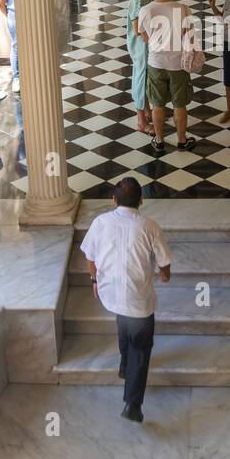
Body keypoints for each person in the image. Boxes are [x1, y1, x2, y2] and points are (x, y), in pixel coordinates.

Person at [81, 177, 172, 423]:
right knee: (141, 348)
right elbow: (165, 265)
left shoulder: (100, 222)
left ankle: (124, 364)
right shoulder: (150, 226)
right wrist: (164, 274)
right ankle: (132, 404)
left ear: (113, 199)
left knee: (124, 319)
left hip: (110, 294)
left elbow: (89, 255)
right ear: (141, 200)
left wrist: (94, 280)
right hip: (138, 301)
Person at [137, 0, 198, 154]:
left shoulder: (146, 10)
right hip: (177, 64)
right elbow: (189, 35)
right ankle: (181, 140)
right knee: (180, 104)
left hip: (155, 62)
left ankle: (160, 140)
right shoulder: (182, 8)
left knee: (157, 104)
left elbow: (144, 36)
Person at [125, 0, 156, 135]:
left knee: (145, 76)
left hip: (146, 43)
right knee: (141, 77)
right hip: (140, 44)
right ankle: (141, 121)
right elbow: (137, 29)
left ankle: (146, 111)